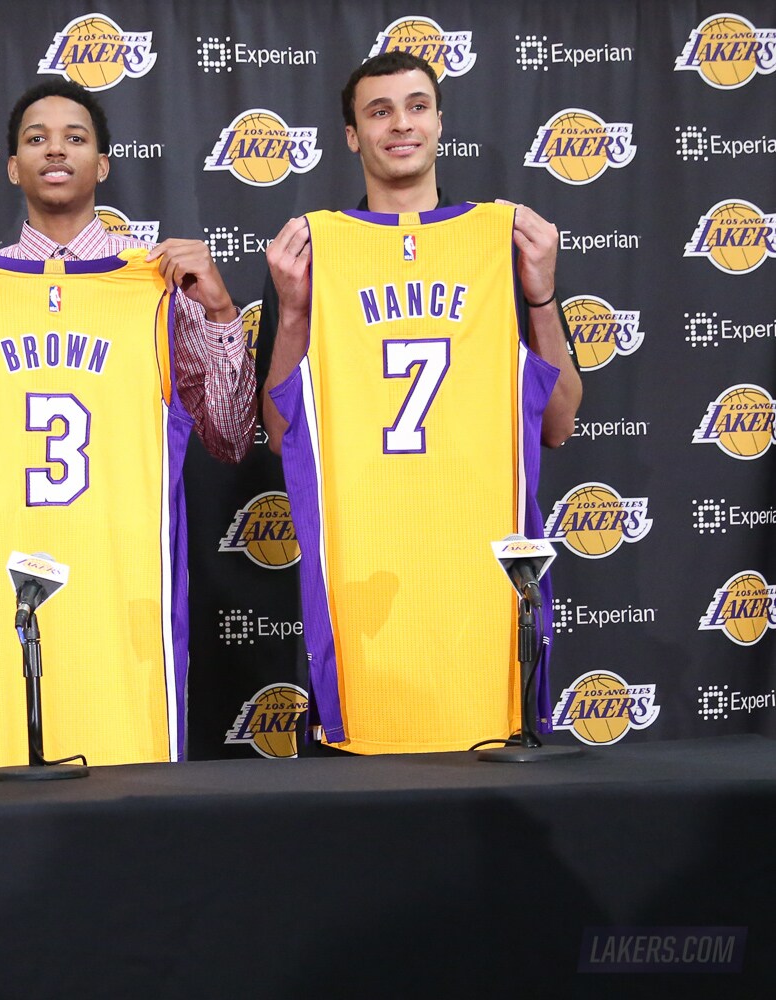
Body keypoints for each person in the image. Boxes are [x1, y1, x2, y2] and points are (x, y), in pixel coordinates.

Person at [0, 80, 256, 769]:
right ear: (11, 165)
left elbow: (231, 435)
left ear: (104, 164)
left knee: (131, 806)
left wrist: (224, 314)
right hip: (2, 595)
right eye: (36, 138)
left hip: (126, 595)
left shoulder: (159, 286)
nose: (56, 149)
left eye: (75, 137)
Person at [254, 51, 583, 756]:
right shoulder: (313, 252)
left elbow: (558, 422)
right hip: (366, 587)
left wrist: (542, 294)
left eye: (416, 106)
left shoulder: (502, 242)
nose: (400, 124)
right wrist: (291, 315)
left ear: (439, 122)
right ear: (352, 135)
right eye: (379, 111)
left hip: (481, 586)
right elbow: (283, 435)